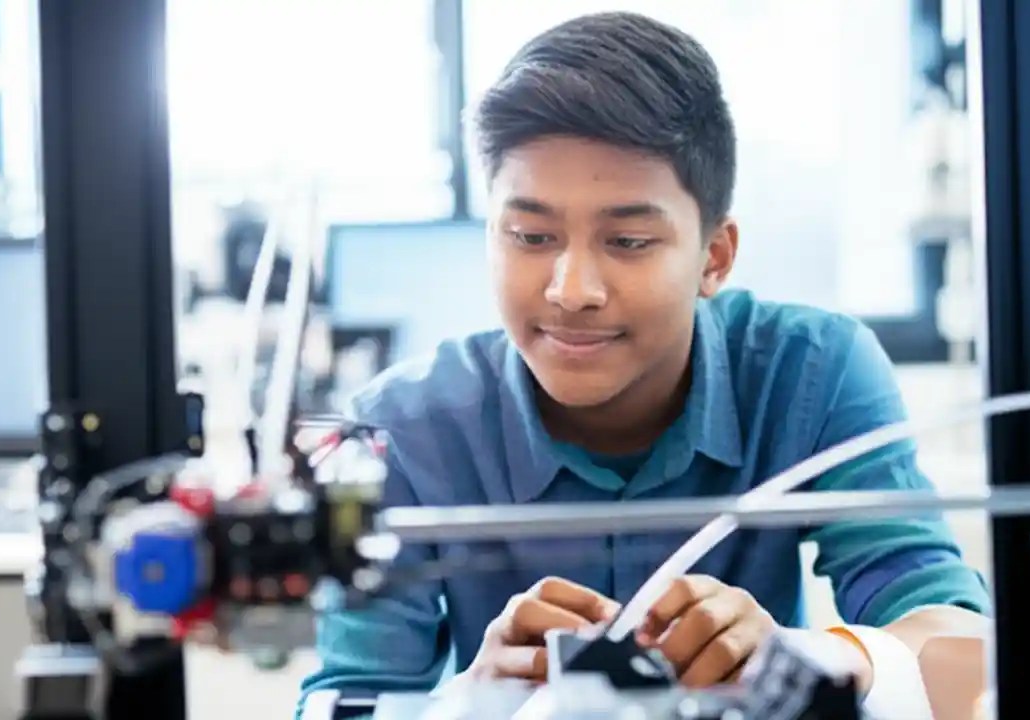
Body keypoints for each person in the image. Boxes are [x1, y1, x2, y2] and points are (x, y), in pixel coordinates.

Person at [297, 11, 990, 717]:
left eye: (627, 241)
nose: (572, 290)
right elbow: (342, 704)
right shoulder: (398, 430)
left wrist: (808, 655)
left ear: (713, 256)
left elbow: (969, 656)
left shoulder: (813, 372)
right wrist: (474, 702)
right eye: (530, 235)